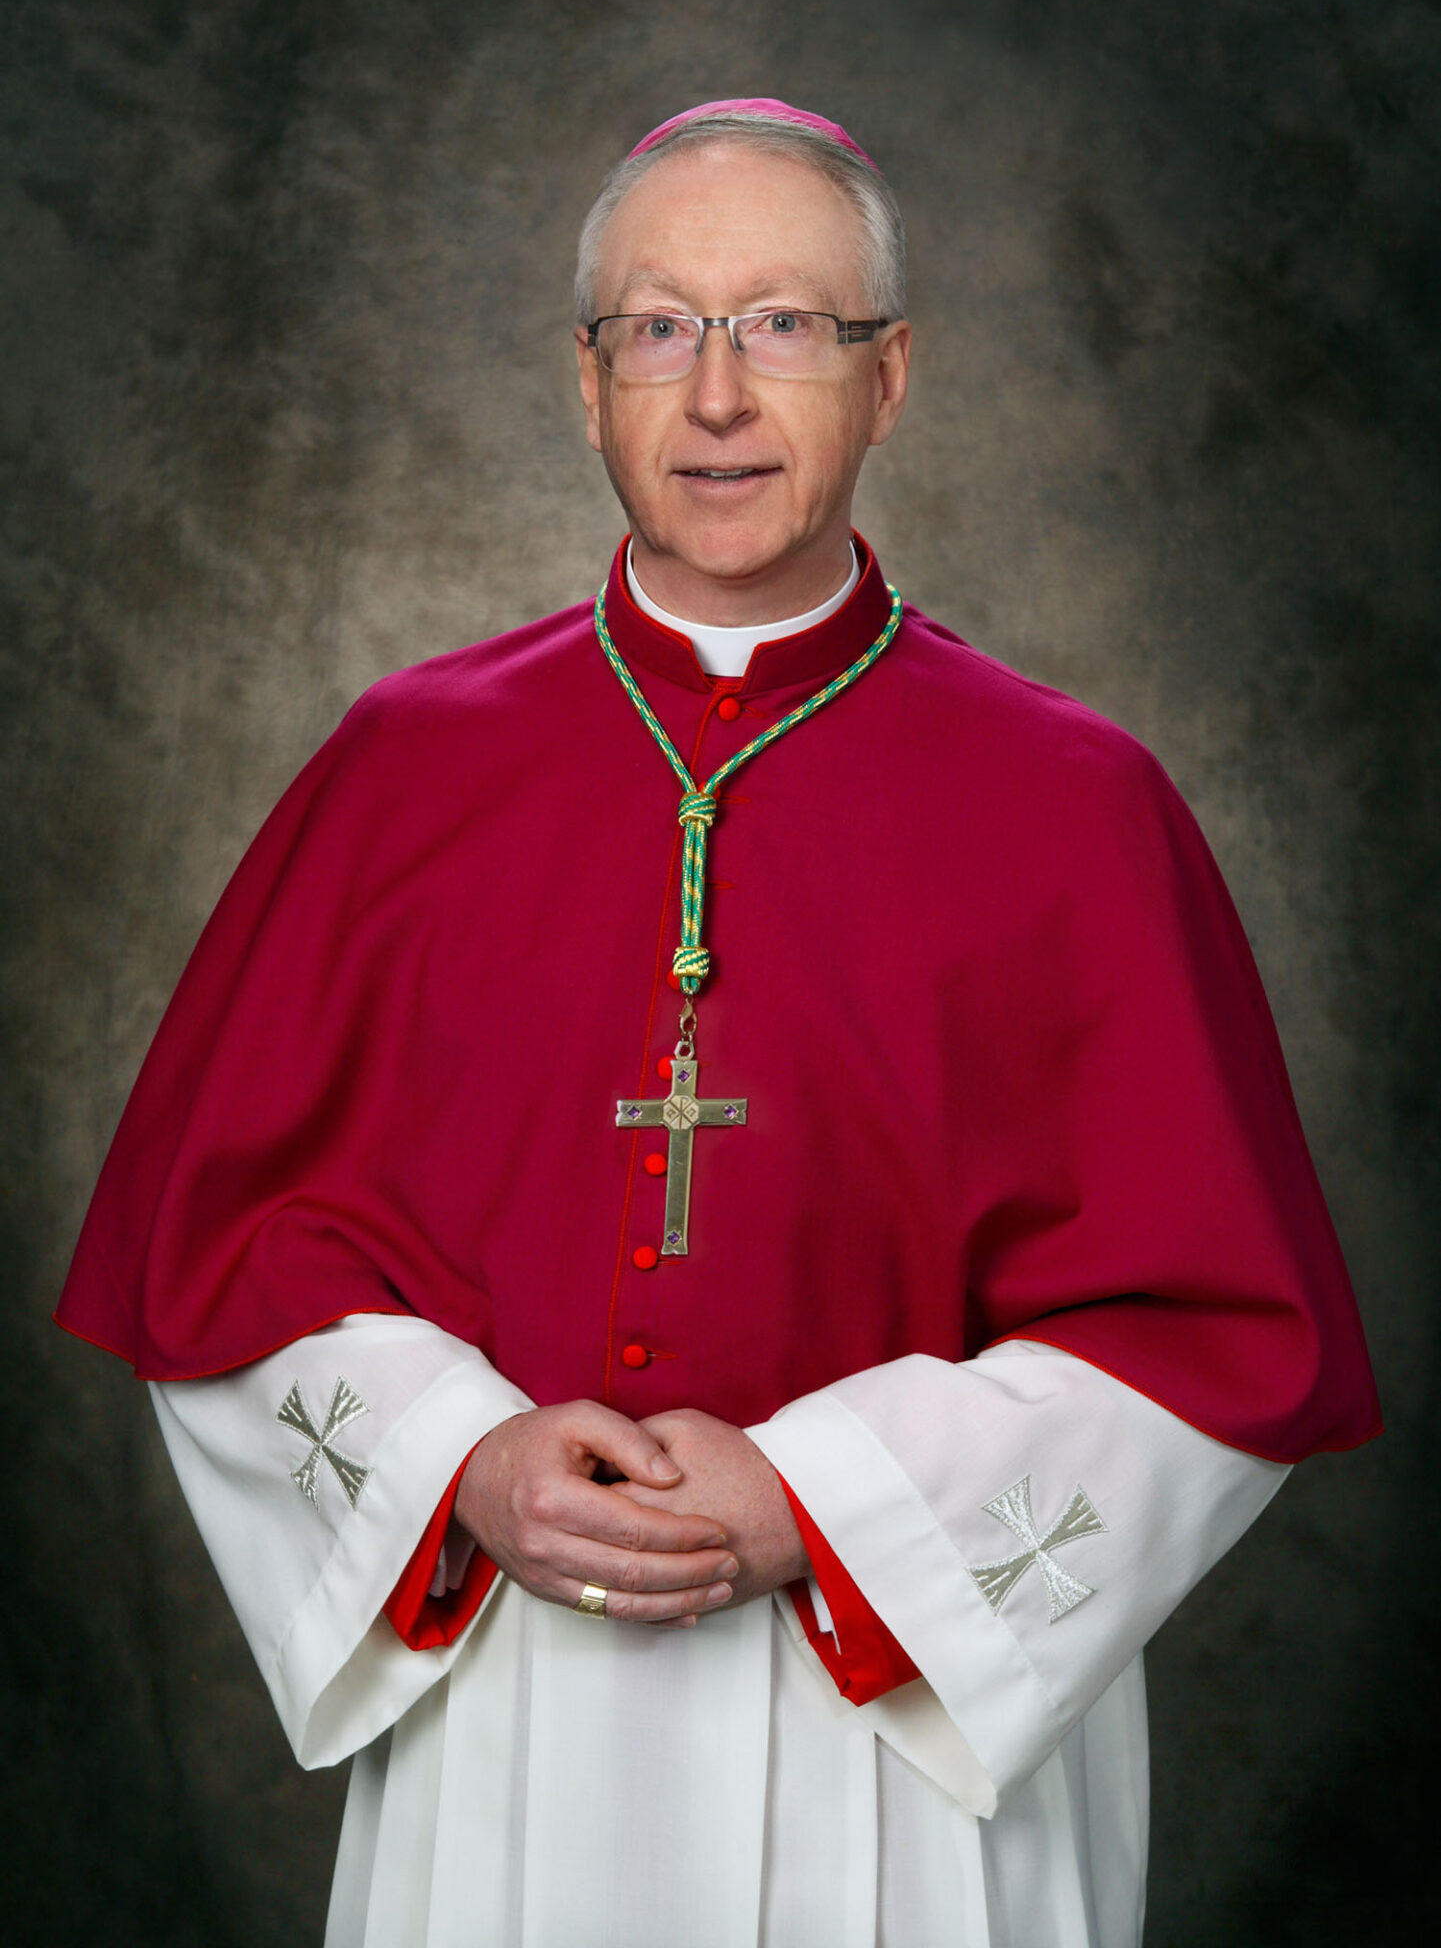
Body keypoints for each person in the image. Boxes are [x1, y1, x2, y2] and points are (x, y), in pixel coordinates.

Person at [56, 99, 1380, 1947]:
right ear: (585, 381)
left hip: (905, 1745)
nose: (718, 396)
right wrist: (464, 1460)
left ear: (890, 374)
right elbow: (223, 1257)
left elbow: (1209, 1342)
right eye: (660, 326)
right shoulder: (400, 770)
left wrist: (825, 1503)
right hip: (508, 1695)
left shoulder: (1081, 805)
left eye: (783, 323)